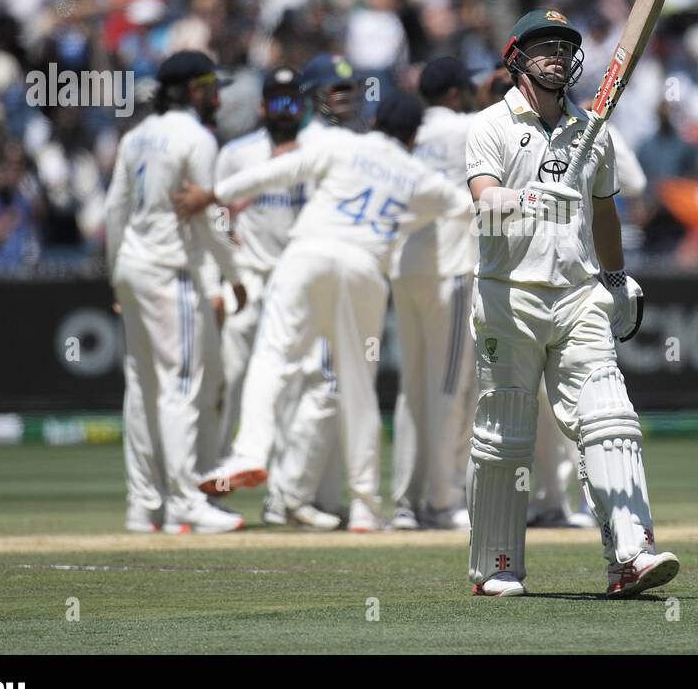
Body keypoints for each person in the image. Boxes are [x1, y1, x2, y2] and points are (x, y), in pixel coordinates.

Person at [173, 90, 472, 532]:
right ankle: (367, 508)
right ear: (412, 138)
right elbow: (473, 208)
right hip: (365, 267)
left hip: (308, 253)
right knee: (358, 387)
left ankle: (251, 453)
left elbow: (276, 171)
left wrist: (212, 193)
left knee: (273, 356)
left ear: (375, 123)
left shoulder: (342, 145)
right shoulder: (419, 177)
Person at [462, 8, 679, 597]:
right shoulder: (490, 125)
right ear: (517, 58)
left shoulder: (594, 131)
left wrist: (615, 277)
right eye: (543, 45)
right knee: (505, 435)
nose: (557, 53)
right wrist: (529, 195)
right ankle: (496, 566)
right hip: (509, 296)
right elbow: (483, 202)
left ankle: (632, 555)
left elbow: (605, 212)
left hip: (579, 295)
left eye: (565, 44)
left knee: (610, 418)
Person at [104, 50, 248, 534]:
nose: (219, 97)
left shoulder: (135, 137)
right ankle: (185, 501)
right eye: (213, 87)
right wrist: (234, 277)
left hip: (133, 266)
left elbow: (114, 212)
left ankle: (143, 507)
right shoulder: (197, 138)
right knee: (181, 387)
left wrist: (116, 276)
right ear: (195, 90)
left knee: (142, 389)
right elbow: (207, 216)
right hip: (170, 270)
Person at [209, 67, 345, 530]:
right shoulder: (236, 154)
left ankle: (286, 498)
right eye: (277, 102)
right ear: (263, 106)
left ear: (303, 106)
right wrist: (219, 280)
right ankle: (213, 492)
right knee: (229, 382)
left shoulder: (321, 149)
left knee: (308, 386)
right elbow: (215, 218)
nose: (286, 111)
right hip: (247, 278)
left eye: (294, 102)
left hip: (301, 280)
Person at [388, 57, 478, 530]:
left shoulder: (409, 133)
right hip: (450, 266)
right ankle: (443, 500)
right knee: (449, 387)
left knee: (413, 389)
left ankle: (406, 502)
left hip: (405, 265)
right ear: (456, 94)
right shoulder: (470, 126)